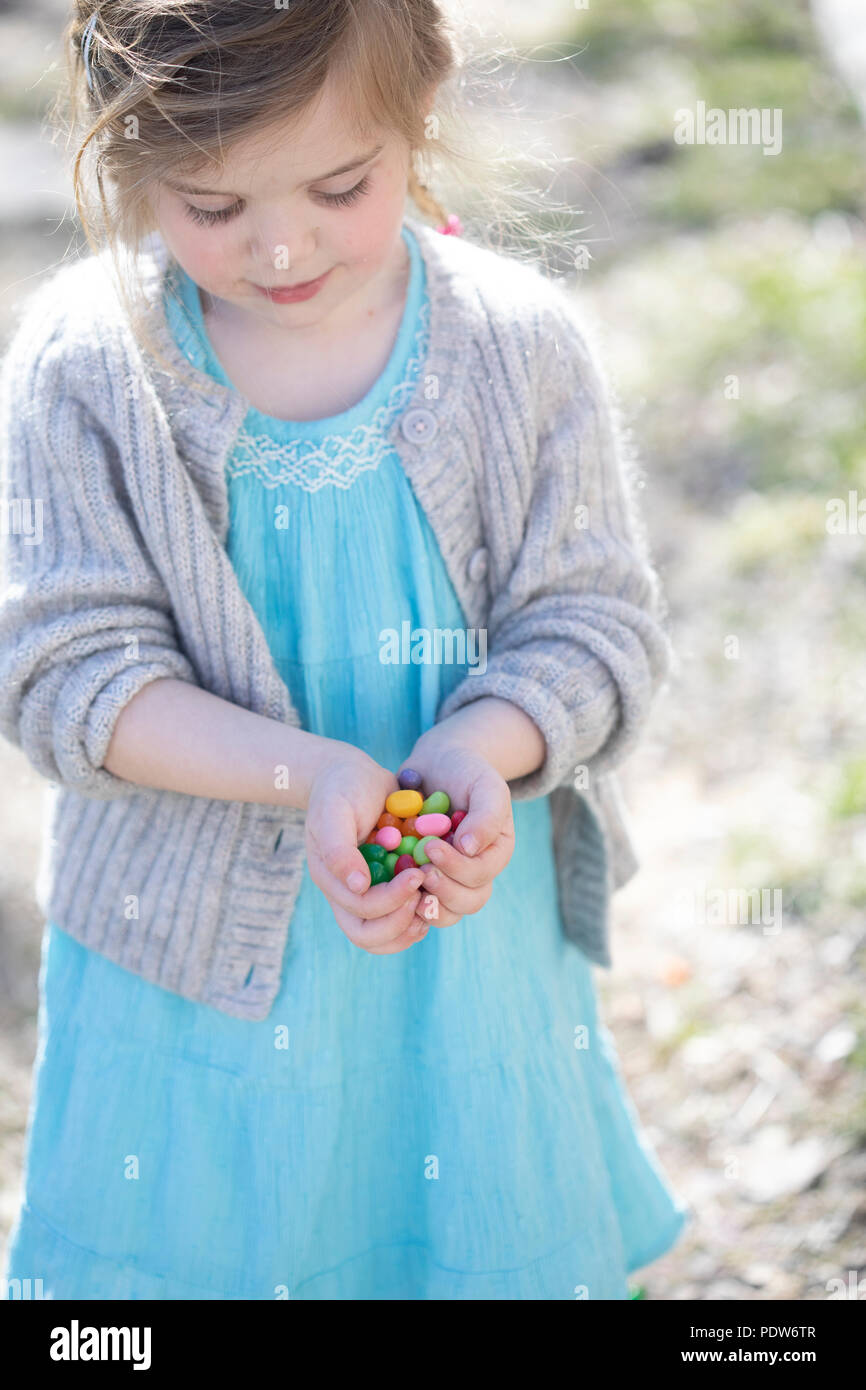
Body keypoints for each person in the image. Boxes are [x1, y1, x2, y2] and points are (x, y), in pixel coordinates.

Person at [0, 0, 690, 1299]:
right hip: (185, 964)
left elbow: (594, 622)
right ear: (127, 158)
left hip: (456, 947)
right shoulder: (90, 366)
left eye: (337, 184)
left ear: (417, 113)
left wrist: (484, 745)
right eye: (209, 204)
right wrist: (304, 771)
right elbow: (63, 674)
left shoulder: (517, 348)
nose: (278, 244)